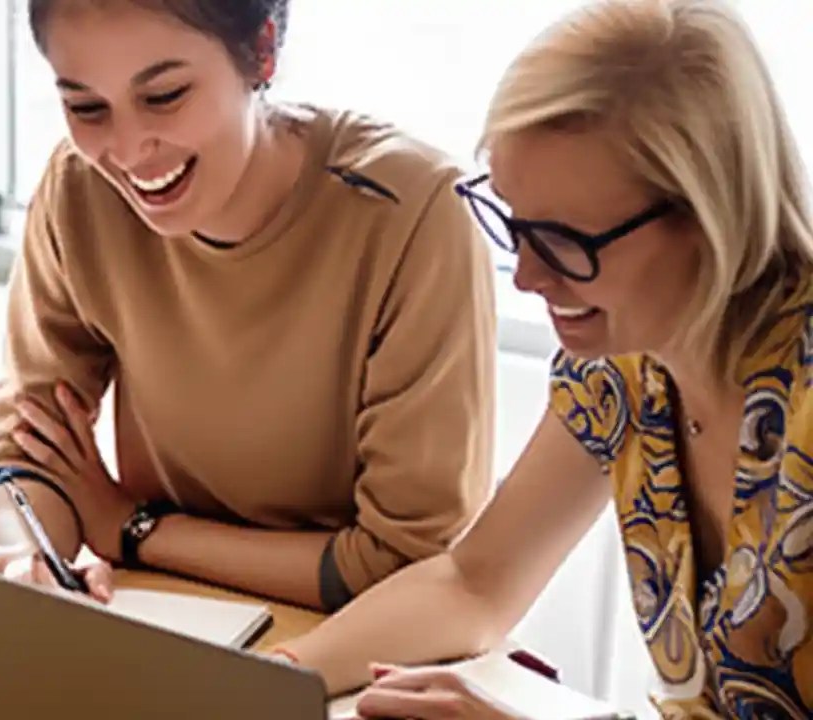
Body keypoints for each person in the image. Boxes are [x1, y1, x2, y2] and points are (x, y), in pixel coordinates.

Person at [272, 0, 813, 716]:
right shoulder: (623, 368)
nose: (527, 276)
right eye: (514, 223)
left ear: (707, 214)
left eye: (563, 239)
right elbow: (476, 580)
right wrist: (270, 678)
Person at [0, 0, 497, 618]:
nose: (130, 151)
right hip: (165, 626)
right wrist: (20, 561)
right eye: (86, 107)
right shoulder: (79, 191)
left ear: (263, 51)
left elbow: (406, 564)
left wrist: (138, 531)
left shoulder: (414, 214)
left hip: (363, 648)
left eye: (164, 96)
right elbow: (27, 454)